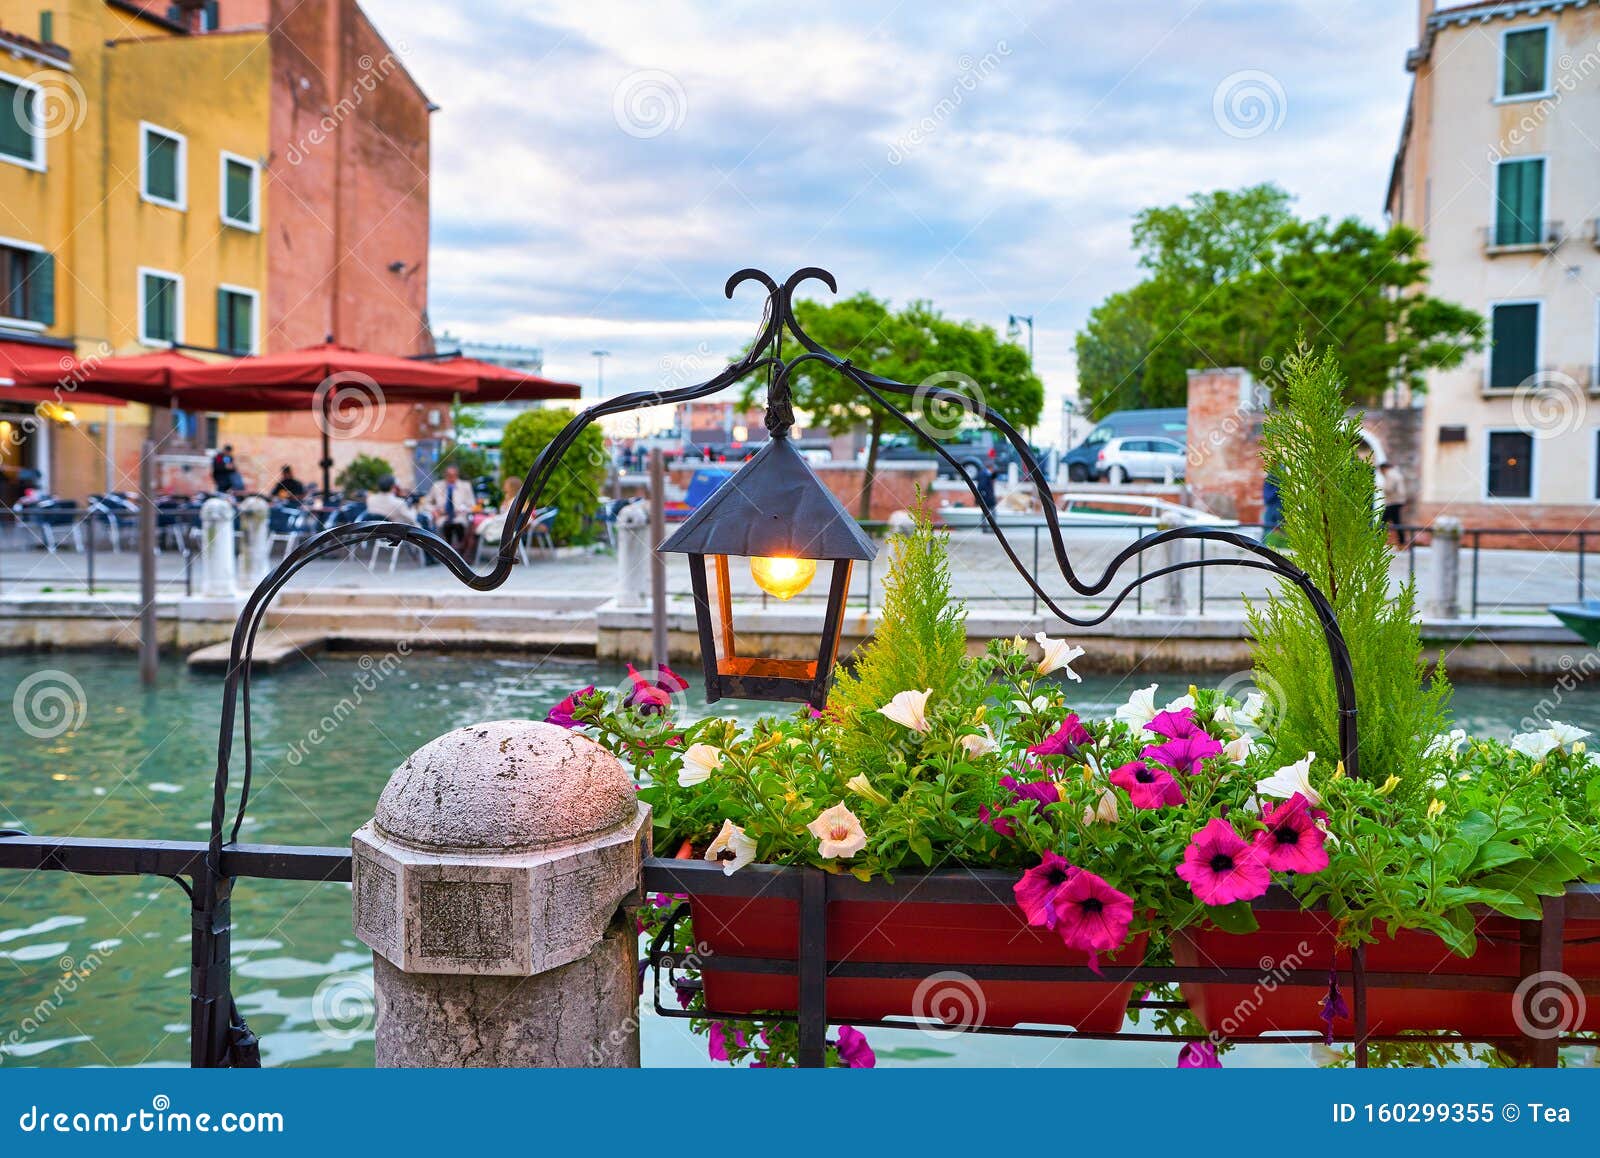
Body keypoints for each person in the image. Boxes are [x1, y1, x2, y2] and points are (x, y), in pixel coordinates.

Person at [426, 465, 477, 553]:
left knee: (458, 524)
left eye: (454, 475)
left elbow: (472, 505)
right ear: (445, 475)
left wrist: (463, 509)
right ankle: (448, 550)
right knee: (446, 525)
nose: (451, 478)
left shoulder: (465, 486)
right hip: (443, 516)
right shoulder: (437, 485)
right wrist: (434, 510)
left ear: (457, 475)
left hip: (460, 516)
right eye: (449, 475)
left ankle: (461, 550)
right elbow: (426, 502)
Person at [1378, 461, 1409, 548]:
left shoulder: (1390, 475)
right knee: (1396, 522)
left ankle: (1378, 541)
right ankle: (1402, 543)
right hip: (1397, 501)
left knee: (1383, 522)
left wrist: (1379, 487)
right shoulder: (1396, 473)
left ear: (1383, 469)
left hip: (1393, 502)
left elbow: (1389, 488)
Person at [975, 461, 999, 533]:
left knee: (985, 513)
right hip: (987, 497)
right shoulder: (985, 474)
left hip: (986, 497)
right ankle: (991, 529)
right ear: (990, 468)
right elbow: (982, 486)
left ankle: (986, 528)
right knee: (992, 513)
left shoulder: (984, 473)